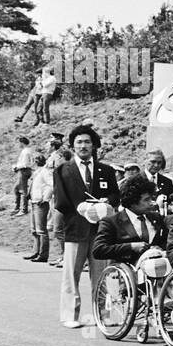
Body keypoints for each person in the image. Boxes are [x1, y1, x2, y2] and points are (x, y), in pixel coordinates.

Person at [53, 124, 120, 328]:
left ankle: (107, 315)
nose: (83, 146)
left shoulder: (106, 170)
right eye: (79, 142)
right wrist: (82, 209)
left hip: (101, 230)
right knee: (71, 274)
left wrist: (106, 203)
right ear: (73, 146)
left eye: (87, 142)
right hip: (75, 228)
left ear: (94, 145)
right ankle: (70, 315)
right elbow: (61, 201)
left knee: (104, 274)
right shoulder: (63, 170)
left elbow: (115, 195)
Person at [92, 176, 166, 263]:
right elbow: (98, 250)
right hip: (126, 270)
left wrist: (160, 248)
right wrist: (130, 247)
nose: (151, 203)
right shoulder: (111, 222)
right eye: (146, 200)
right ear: (132, 201)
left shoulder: (156, 218)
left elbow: (166, 241)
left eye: (151, 199)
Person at [47, 148, 72, 268]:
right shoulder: (58, 170)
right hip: (57, 202)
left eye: (57, 157)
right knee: (58, 230)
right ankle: (63, 256)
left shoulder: (68, 170)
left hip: (64, 205)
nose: (54, 160)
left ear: (62, 157)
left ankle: (67, 257)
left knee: (59, 230)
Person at [26, 153, 53, 262]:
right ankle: (36, 251)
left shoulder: (45, 172)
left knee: (41, 230)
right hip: (34, 201)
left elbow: (52, 185)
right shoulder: (37, 172)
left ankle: (43, 254)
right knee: (34, 229)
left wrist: (45, 198)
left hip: (40, 202)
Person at [11, 136, 35, 214]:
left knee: (23, 190)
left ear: (22, 143)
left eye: (19, 143)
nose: (18, 145)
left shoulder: (25, 152)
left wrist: (16, 167)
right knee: (16, 189)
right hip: (25, 171)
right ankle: (17, 207)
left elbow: (25, 164)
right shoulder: (28, 150)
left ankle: (24, 209)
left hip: (23, 171)